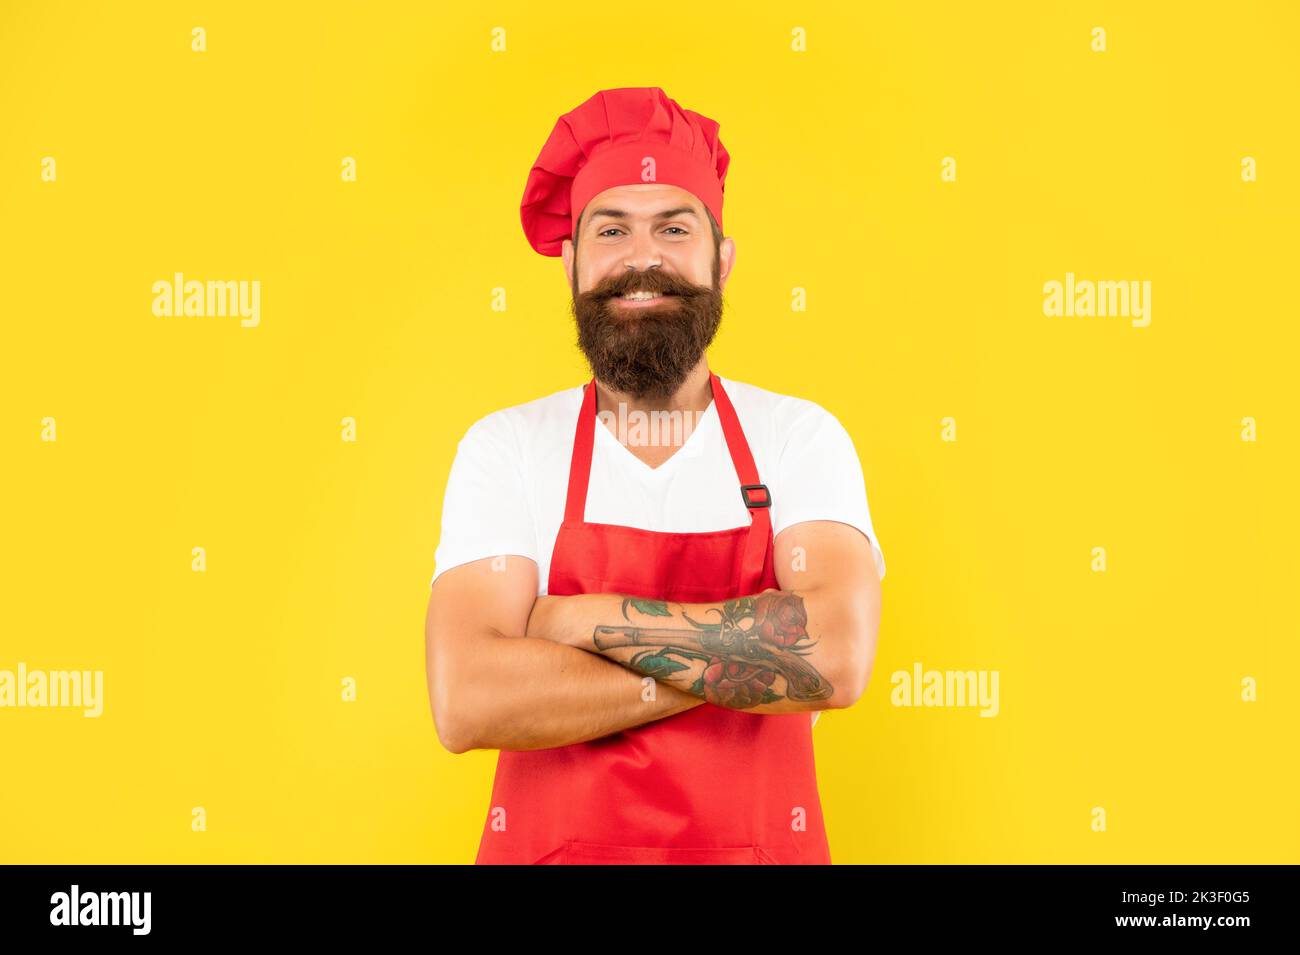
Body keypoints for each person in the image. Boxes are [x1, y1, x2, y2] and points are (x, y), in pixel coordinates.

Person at [425, 87, 885, 865]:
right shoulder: (507, 447)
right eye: (612, 230)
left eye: (674, 227)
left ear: (722, 258)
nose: (643, 259)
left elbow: (834, 655)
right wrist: (755, 651)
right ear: (571, 262)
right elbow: (468, 698)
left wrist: (574, 622)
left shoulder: (798, 437)